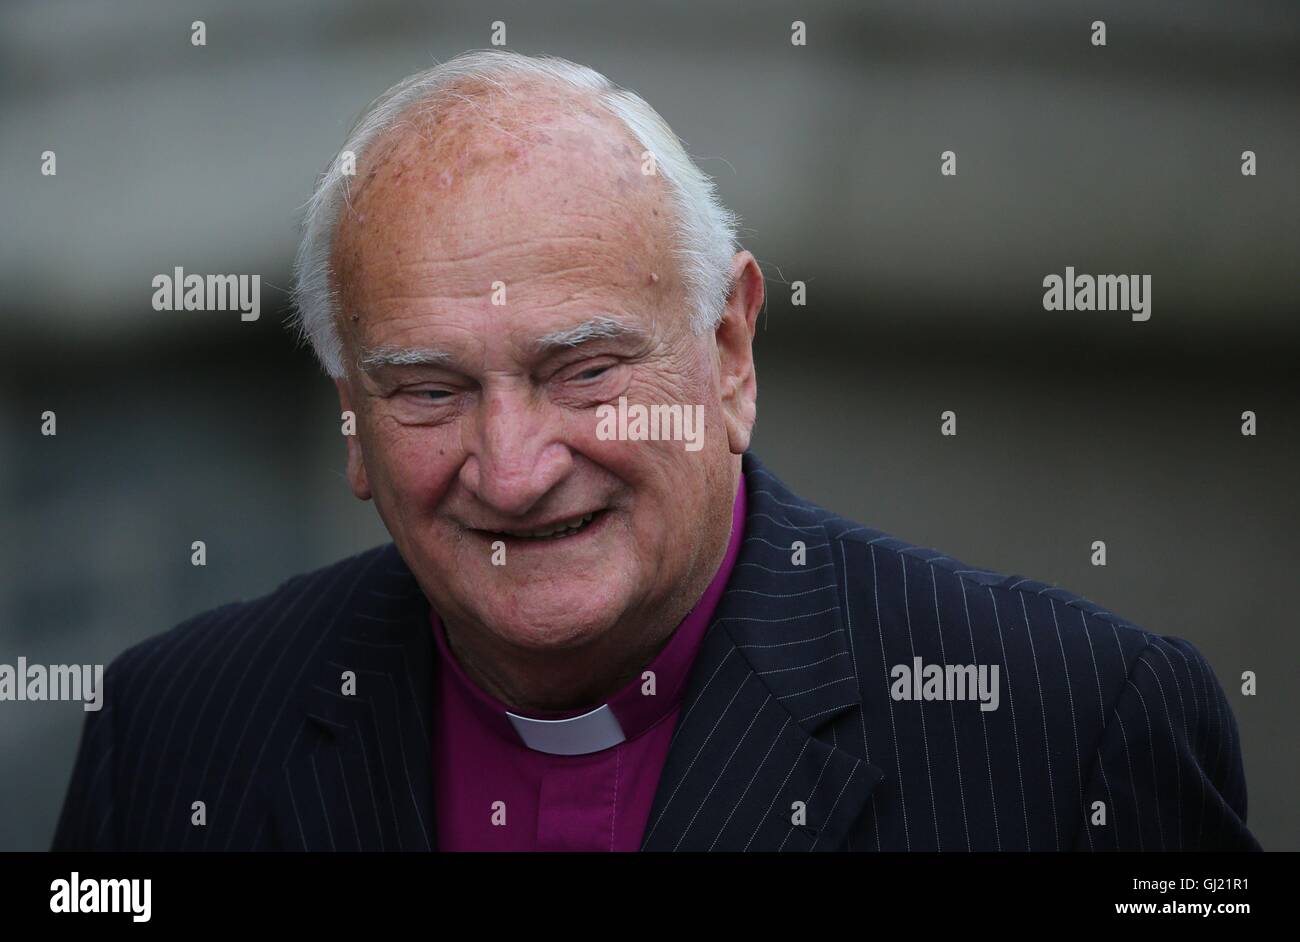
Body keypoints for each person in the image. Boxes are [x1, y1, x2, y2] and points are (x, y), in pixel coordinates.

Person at [52, 50, 1259, 852]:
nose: (514, 470)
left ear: (729, 353)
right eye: (427, 391)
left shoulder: (1069, 729)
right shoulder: (175, 730)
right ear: (351, 423)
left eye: (585, 372)